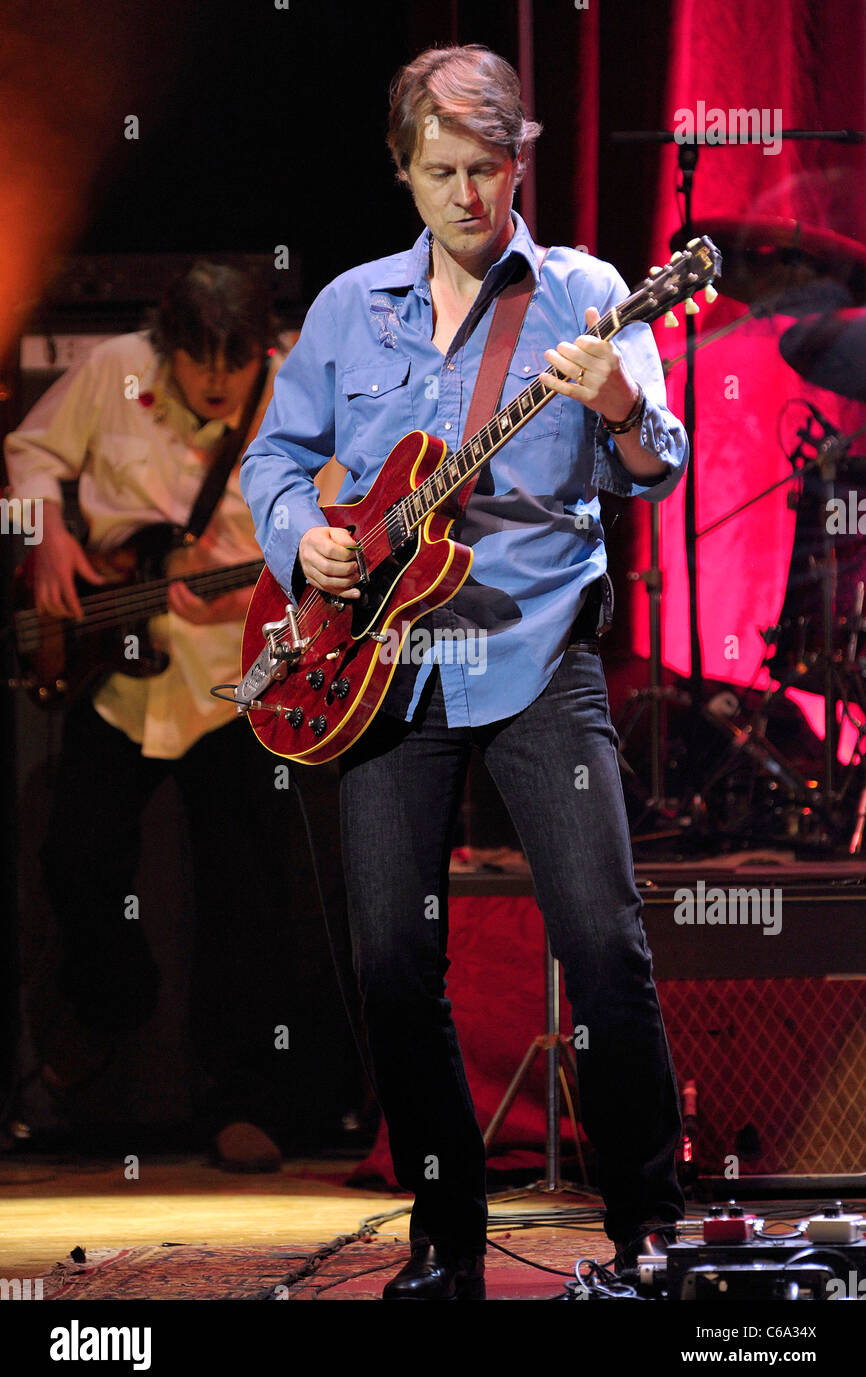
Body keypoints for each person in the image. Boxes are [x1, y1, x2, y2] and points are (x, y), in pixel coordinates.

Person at [240, 44, 689, 1296]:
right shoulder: (346, 308)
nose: (466, 198)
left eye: (486, 171)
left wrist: (615, 410)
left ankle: (645, 1226)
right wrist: (303, 539)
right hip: (386, 668)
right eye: (439, 172)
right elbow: (273, 462)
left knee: (601, 942)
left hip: (540, 651)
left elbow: (660, 467)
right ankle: (445, 1242)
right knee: (392, 962)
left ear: (518, 164)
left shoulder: (591, 294)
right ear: (402, 170)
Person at [5, 261, 358, 1170]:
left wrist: (265, 592)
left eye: (230, 361)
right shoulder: (115, 368)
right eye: (194, 358)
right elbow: (30, 456)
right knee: (73, 855)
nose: (211, 379)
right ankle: (112, 999)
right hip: (116, 666)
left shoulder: (300, 383)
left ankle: (241, 1100)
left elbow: (342, 522)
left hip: (241, 677)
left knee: (246, 895)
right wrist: (43, 534)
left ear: (260, 351)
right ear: (165, 347)